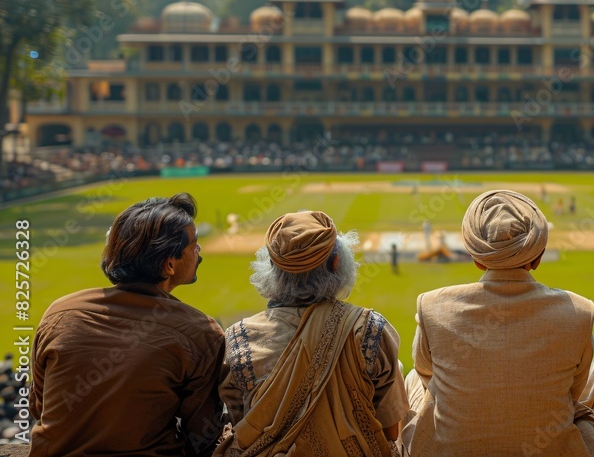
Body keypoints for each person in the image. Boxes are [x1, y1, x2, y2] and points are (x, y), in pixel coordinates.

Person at [402, 190, 594, 457]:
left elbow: (426, 374)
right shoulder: (580, 311)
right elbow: (573, 391)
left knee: (411, 378)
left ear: (476, 259)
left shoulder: (431, 306)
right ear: (538, 258)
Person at [29, 193, 225, 456]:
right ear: (169, 264)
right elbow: (203, 435)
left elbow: (39, 407)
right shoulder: (202, 333)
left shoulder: (59, 312)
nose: (198, 252)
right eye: (195, 244)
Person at [217, 211, 408, 456]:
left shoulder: (237, 338)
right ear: (337, 263)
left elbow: (239, 423)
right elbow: (391, 432)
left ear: (272, 269)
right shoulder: (370, 329)